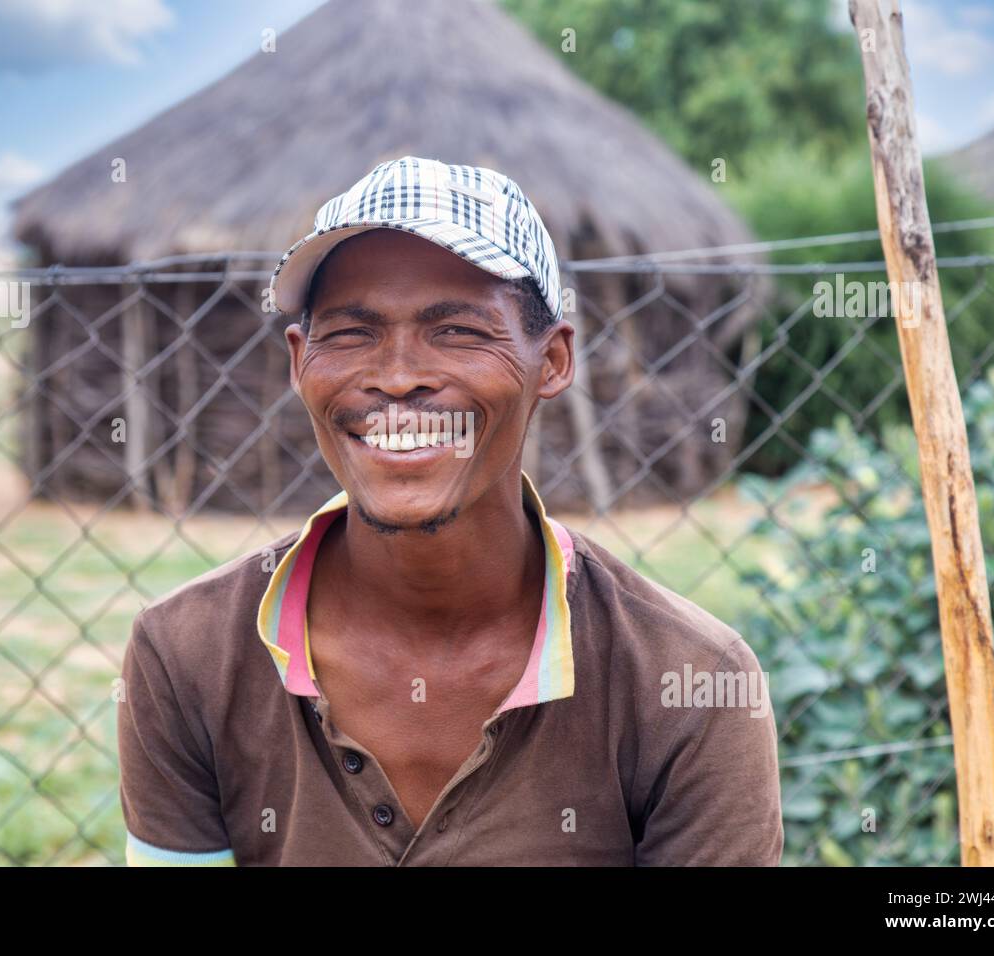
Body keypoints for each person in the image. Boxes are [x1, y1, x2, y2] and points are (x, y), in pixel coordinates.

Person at [117, 156, 783, 866]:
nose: (399, 377)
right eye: (350, 333)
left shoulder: (689, 683)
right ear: (298, 361)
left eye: (459, 331)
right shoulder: (188, 655)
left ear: (553, 362)